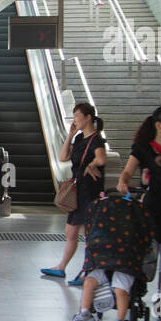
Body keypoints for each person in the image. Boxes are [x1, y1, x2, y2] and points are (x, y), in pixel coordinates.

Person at [70, 192, 153, 321]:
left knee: (120, 290)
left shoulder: (131, 230)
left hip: (125, 263)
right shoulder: (104, 230)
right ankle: (84, 312)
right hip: (104, 262)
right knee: (89, 282)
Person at [41, 103, 107, 285]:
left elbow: (101, 158)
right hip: (79, 192)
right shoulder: (79, 139)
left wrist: (90, 166)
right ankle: (62, 267)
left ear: (88, 118)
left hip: (90, 192)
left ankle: (88, 272)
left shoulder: (96, 140)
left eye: (77, 115)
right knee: (71, 231)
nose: (74, 118)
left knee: (87, 233)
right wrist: (69, 135)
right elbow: (63, 157)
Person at [117, 105, 161, 295]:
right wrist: (123, 182)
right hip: (152, 208)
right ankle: (137, 293)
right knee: (147, 255)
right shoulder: (142, 148)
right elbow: (128, 171)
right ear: (159, 125)